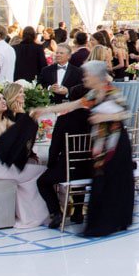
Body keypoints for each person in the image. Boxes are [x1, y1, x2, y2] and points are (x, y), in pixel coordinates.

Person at [0, 85, 52, 229]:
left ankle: (30, 215)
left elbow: (23, 131)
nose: (3, 101)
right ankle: (36, 215)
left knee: (31, 174)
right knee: (42, 171)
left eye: (3, 98)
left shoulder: (4, 121)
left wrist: (21, 113)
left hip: (6, 165)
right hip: (0, 167)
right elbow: (5, 151)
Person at [81, 64, 135, 238]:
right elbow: (75, 105)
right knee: (102, 181)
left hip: (117, 143)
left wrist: (105, 116)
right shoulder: (93, 94)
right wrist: (44, 110)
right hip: (102, 144)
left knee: (114, 181)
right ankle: (101, 222)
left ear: (96, 76)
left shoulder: (112, 92)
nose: (84, 78)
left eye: (87, 75)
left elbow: (127, 113)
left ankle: (112, 222)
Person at [37, 89, 95, 229]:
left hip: (69, 169)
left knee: (42, 182)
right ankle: (78, 212)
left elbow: (54, 148)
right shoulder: (95, 118)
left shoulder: (63, 120)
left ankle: (56, 212)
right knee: (79, 174)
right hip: (91, 169)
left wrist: (51, 165)